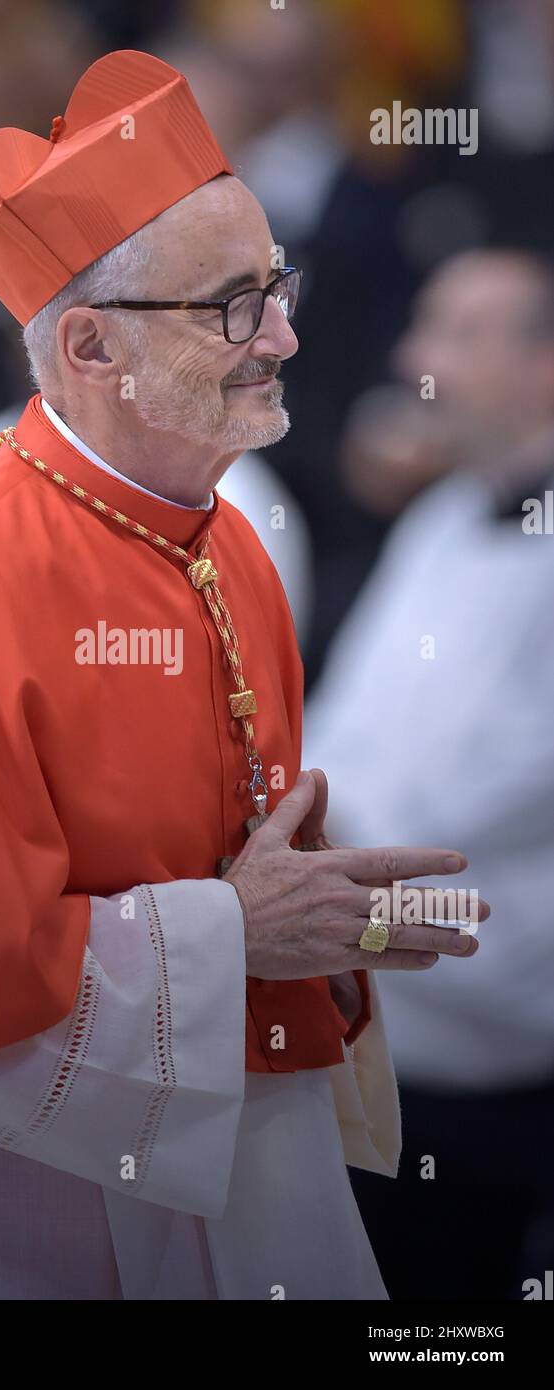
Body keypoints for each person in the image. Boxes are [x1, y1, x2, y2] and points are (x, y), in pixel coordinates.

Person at [0, 50, 483, 1301]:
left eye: (277, 284)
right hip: (15, 1223)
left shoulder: (227, 534)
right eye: (233, 305)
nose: (284, 334)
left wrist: (327, 935)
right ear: (87, 345)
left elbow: (240, 868)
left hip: (218, 1169)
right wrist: (237, 932)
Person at [304, 249, 554, 1298]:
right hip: (367, 982)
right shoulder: (446, 515)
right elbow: (345, 721)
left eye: (456, 333)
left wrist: (314, 828)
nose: (416, 359)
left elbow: (506, 781)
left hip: (498, 1015)